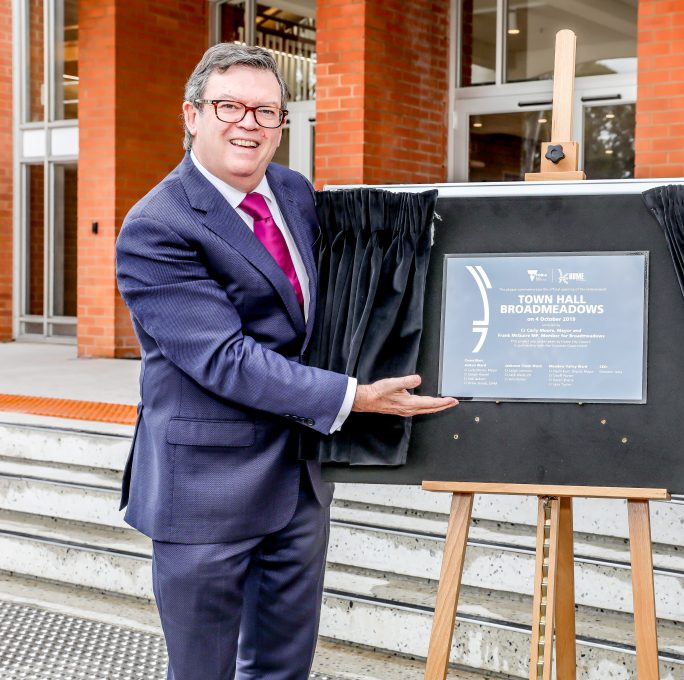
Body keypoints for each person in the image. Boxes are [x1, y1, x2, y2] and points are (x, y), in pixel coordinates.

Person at [115, 43, 457, 680]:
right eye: (230, 106)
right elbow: (224, 358)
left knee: (282, 669)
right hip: (205, 490)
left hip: (297, 482)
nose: (249, 123)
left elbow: (345, 300)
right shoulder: (157, 225)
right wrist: (353, 396)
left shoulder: (294, 192)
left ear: (282, 125)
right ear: (191, 115)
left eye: (267, 112)